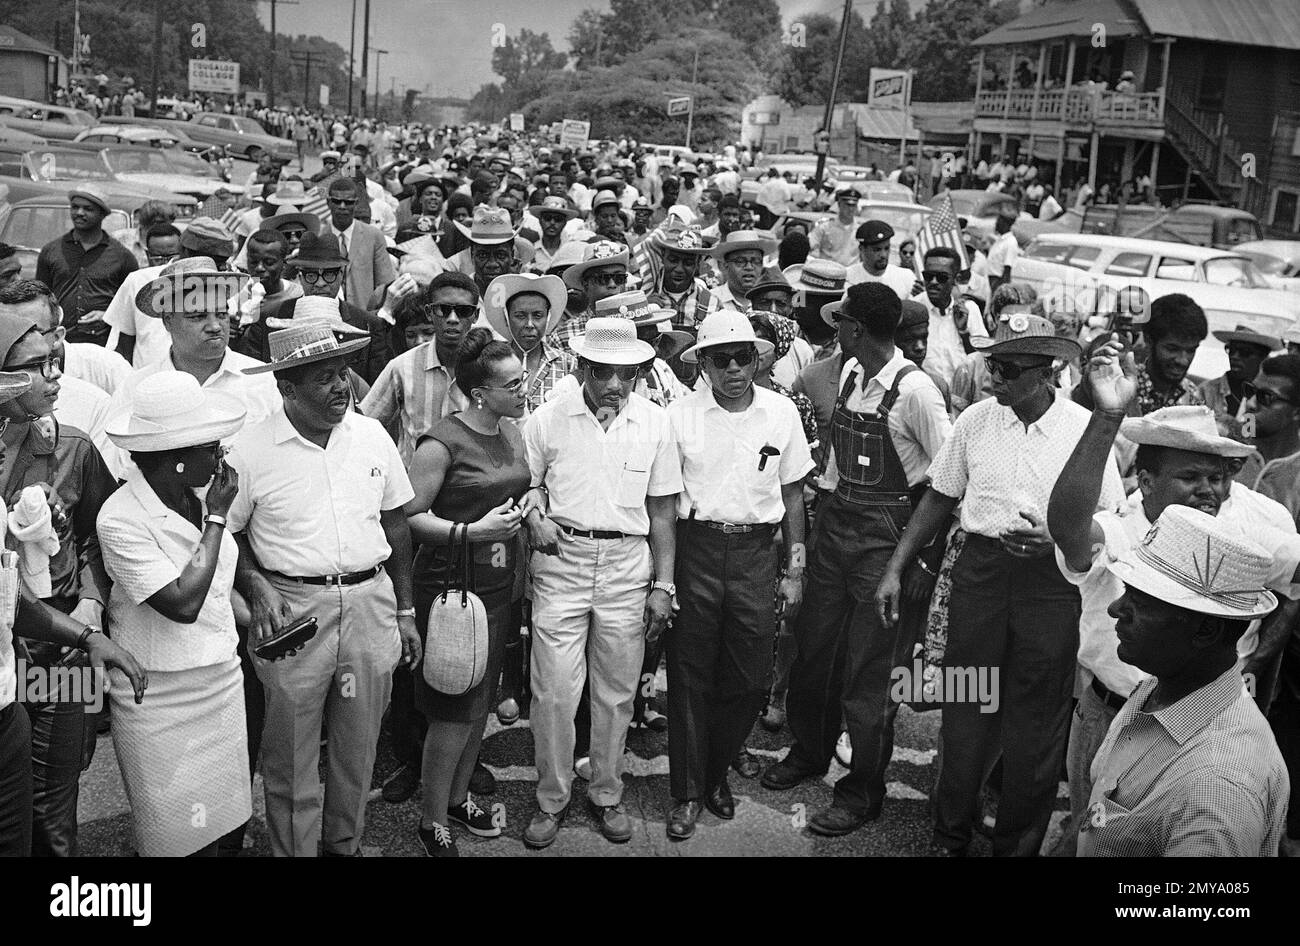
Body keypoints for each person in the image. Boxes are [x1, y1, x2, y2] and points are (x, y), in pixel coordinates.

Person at [876, 312, 1123, 856]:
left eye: (1009, 368)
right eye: (993, 364)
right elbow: (939, 498)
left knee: (1036, 729)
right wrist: (895, 568)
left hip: (1051, 587)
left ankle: (1016, 846)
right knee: (967, 709)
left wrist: (1059, 544)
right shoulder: (975, 422)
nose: (995, 377)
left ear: (1047, 372)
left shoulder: (1085, 429)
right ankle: (949, 835)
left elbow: (1111, 518)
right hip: (980, 580)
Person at [1049, 347, 1300, 855]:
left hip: (1206, 721)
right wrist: (1108, 417)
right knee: (1096, 829)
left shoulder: (1255, 524)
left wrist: (1258, 657)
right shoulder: (1123, 529)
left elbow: (1292, 589)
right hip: (1113, 710)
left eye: (1220, 476)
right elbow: (1070, 526)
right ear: (1146, 481)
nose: (1210, 491)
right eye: (1192, 477)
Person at [761, 284, 951, 836]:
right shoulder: (848, 373)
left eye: (841, 323)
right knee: (815, 651)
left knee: (870, 674)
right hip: (837, 530)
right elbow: (836, 467)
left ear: (858, 330)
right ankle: (810, 750)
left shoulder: (917, 393)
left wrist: (917, 564)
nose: (835, 331)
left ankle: (861, 790)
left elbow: (945, 483)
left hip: (886, 542)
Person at [227, 321, 421, 857]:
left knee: (358, 746)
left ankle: (344, 844)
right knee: (288, 752)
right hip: (291, 611)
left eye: (343, 374)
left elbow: (396, 524)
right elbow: (228, 531)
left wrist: (405, 610)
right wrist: (256, 585)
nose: (342, 387)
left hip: (370, 603)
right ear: (286, 387)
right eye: (323, 378)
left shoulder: (371, 434)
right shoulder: (249, 448)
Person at [520, 317, 681, 848]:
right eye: (604, 372)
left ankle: (607, 793)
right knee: (554, 690)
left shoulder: (656, 423)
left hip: (626, 564)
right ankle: (552, 799)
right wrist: (533, 515)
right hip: (561, 558)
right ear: (583, 367)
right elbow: (529, 485)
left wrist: (664, 585)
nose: (615, 384)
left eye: (626, 374)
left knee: (616, 692)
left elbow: (662, 512)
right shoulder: (547, 418)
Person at [664, 311, 811, 839]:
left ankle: (716, 768)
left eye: (743, 356)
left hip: (755, 554)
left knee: (749, 677)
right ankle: (687, 791)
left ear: (758, 358)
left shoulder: (781, 412)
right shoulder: (678, 416)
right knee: (688, 674)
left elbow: (793, 493)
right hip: (695, 547)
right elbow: (662, 502)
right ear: (701, 362)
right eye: (720, 358)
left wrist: (795, 568)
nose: (732, 368)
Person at [96, 372, 251, 857]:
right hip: (158, 695)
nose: (222, 455)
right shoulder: (120, 518)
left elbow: (219, 583)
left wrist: (255, 611)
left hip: (220, 681)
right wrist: (218, 518)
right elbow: (183, 603)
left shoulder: (195, 498)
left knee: (227, 826)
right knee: (177, 839)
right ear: (179, 460)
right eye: (213, 446)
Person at [1080, 505, 1289, 856]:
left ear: (1206, 630)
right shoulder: (1160, 689)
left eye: (1140, 600)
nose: (1116, 608)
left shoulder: (1216, 790)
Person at [405, 327, 531, 856]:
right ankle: (431, 817)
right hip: (453, 587)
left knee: (479, 703)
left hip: (501, 585)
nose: (524, 389)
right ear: (481, 392)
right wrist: (470, 532)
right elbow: (407, 516)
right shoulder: (441, 441)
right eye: (514, 383)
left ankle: (457, 797)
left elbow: (522, 488)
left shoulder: (511, 430)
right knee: (452, 706)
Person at [0, 309, 117, 857]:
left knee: (54, 811)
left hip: (61, 645)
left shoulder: (73, 446)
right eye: (38, 366)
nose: (55, 377)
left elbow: (101, 536)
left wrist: (93, 602)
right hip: (7, 656)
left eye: (56, 362)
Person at [107, 257, 281, 436]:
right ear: (168, 321)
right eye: (198, 316)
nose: (214, 327)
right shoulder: (137, 389)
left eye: (221, 314)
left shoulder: (262, 381)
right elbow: (120, 459)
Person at [361, 272, 474, 466]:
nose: (453, 318)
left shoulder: (491, 366)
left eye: (463, 310)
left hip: (475, 488)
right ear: (430, 313)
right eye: (443, 310)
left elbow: (516, 429)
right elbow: (364, 426)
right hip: (413, 488)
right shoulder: (402, 367)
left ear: (476, 315)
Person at [105, 217, 237, 369]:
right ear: (183, 250)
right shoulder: (140, 281)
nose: (210, 269)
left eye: (220, 263)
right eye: (205, 259)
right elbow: (122, 346)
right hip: (150, 383)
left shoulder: (223, 283)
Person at [35, 186, 138, 346]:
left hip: (105, 344)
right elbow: (40, 298)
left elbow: (132, 304)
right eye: (75, 207)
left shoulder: (122, 256)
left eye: (88, 209)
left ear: (102, 214)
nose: (79, 213)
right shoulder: (51, 251)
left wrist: (106, 316)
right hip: (60, 343)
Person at [483, 273, 574, 416]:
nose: (529, 324)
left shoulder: (567, 364)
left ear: (548, 317)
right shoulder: (491, 361)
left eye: (538, 315)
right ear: (507, 318)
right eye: (520, 316)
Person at [917, 247, 988, 387]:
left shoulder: (969, 309)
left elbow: (982, 359)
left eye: (942, 277)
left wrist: (964, 333)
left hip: (962, 395)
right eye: (928, 276)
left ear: (956, 279)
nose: (933, 282)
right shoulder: (915, 309)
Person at [326, 178, 396, 311]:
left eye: (348, 202)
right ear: (328, 202)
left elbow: (384, 284)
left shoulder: (374, 236)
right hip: (328, 316)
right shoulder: (319, 235)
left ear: (356, 203)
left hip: (364, 317)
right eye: (336, 201)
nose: (342, 206)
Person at [551, 241, 631, 348]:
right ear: (585, 284)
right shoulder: (563, 336)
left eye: (619, 278)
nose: (612, 285)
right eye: (602, 278)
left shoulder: (641, 325)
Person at [1197, 325, 1280, 427]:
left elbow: (1251, 434)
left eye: (1245, 352)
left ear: (1263, 357)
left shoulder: (1268, 396)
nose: (1234, 357)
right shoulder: (1206, 390)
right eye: (1231, 350)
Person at [844, 220, 914, 299]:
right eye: (877, 250)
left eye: (886, 248)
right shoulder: (847, 277)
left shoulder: (905, 277)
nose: (883, 255)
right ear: (862, 249)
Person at [709, 230, 776, 312]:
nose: (749, 267)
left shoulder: (773, 302)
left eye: (756, 261)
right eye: (740, 261)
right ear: (725, 266)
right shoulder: (710, 299)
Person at [806, 189, 861, 268]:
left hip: (851, 274)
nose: (851, 209)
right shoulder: (824, 228)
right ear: (839, 204)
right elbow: (811, 248)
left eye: (853, 205)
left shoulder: (860, 231)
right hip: (828, 272)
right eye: (847, 205)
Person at [985, 212, 1019, 298]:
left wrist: (1002, 291)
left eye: (998, 222)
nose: (996, 225)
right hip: (989, 280)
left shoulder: (1010, 242)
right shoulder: (1000, 240)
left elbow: (1007, 269)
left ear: (1005, 224)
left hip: (998, 281)